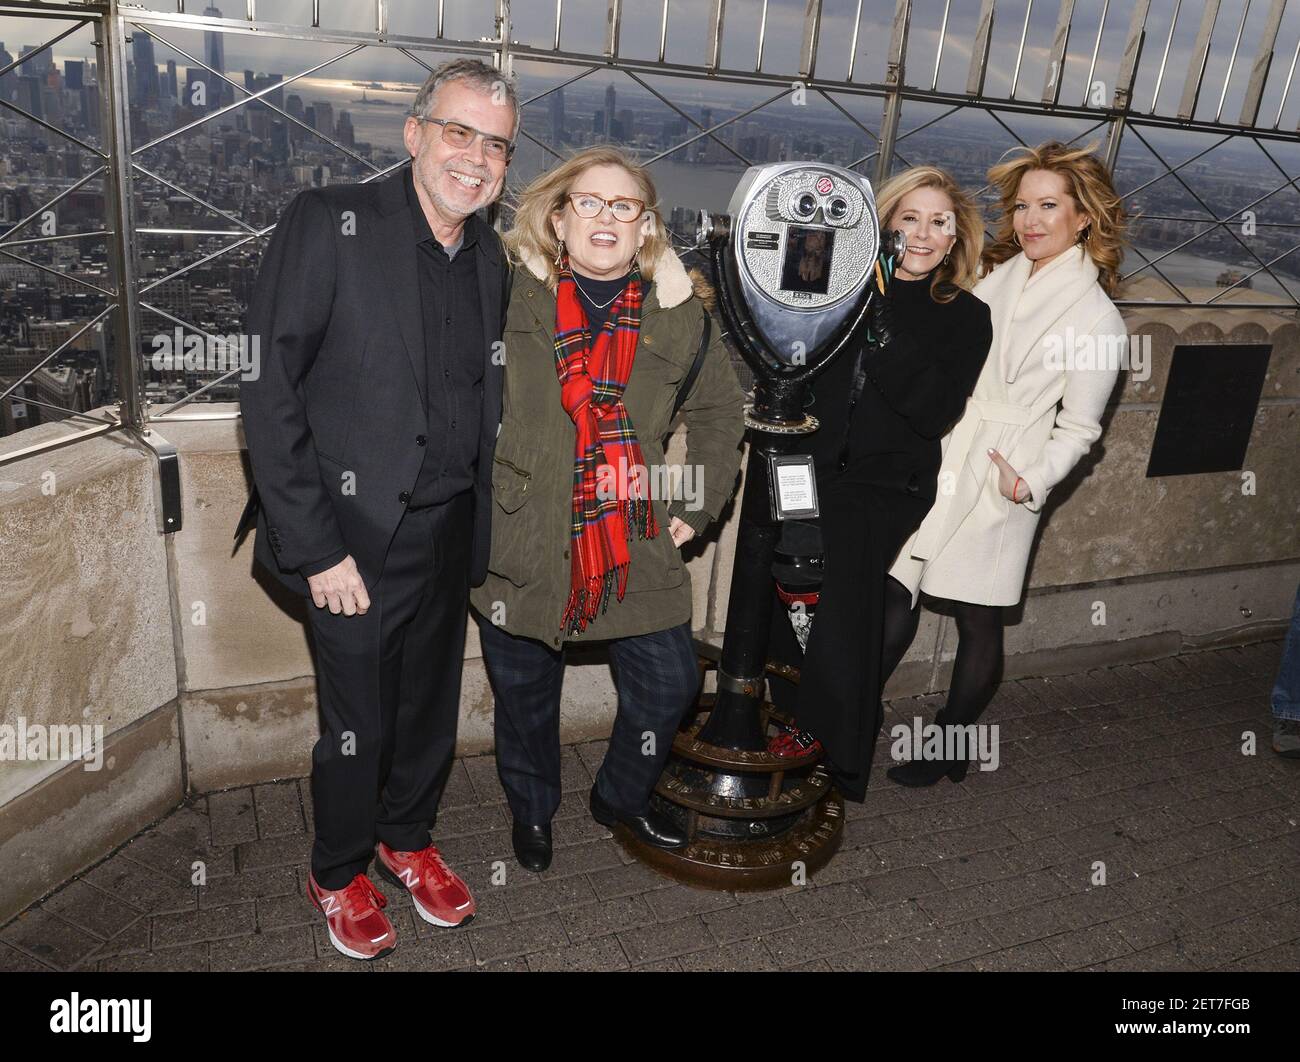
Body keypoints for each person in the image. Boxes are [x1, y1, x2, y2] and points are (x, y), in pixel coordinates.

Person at [238, 59, 517, 959]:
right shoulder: (331, 222)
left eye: (497, 145)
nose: (475, 158)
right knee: (356, 719)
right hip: (349, 541)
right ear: (415, 132)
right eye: (459, 132)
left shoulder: (489, 255)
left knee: (429, 708)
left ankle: (406, 839)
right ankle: (336, 869)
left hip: (444, 530)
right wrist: (317, 551)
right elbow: (269, 394)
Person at [469, 146, 746, 872]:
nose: (606, 217)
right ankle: (532, 813)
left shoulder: (681, 315)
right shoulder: (505, 293)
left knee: (669, 683)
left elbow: (720, 413)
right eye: (588, 202)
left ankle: (619, 796)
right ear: (559, 221)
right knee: (525, 698)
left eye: (624, 207)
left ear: (646, 228)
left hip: (634, 530)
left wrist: (698, 498)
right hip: (521, 533)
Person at [885, 140, 1128, 786]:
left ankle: (950, 742)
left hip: (1003, 470)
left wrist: (1029, 482)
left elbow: (1080, 427)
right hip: (947, 449)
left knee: (978, 615)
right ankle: (840, 720)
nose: (1030, 220)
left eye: (1049, 206)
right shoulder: (1001, 275)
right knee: (896, 585)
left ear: (1084, 218)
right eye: (1023, 206)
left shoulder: (1099, 319)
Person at [765, 166, 992, 803]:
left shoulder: (966, 317)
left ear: (955, 238)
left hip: (886, 483)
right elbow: (782, 355)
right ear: (882, 222)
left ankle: (828, 740)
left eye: (938, 222)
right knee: (781, 577)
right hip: (807, 463)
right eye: (908, 217)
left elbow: (931, 410)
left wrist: (880, 322)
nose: (922, 233)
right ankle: (781, 717)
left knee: (842, 571)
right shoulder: (833, 284)